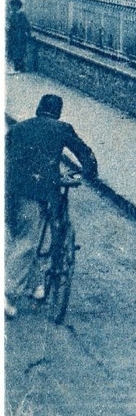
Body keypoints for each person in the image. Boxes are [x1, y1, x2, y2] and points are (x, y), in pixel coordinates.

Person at [5, 94, 97, 317]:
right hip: (37, 191)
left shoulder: (18, 128)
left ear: (38, 108)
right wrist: (89, 174)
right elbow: (84, 153)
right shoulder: (62, 128)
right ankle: (8, 294)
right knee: (27, 242)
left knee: (22, 236)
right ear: (58, 112)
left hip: (10, 190)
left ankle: (35, 284)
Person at [7, 0, 35, 72]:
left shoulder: (22, 15)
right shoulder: (12, 14)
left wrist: (29, 34)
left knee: (20, 51)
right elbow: (10, 24)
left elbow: (27, 26)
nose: (11, 7)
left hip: (20, 36)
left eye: (13, 6)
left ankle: (20, 67)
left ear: (17, 6)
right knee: (13, 51)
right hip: (13, 35)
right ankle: (16, 67)